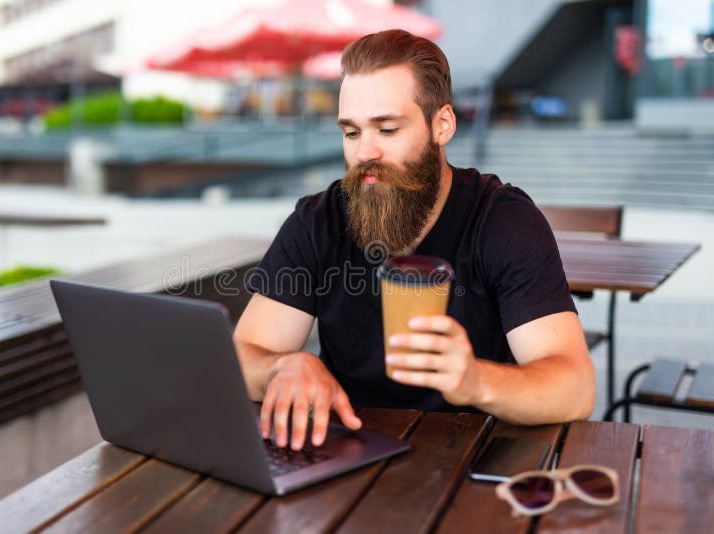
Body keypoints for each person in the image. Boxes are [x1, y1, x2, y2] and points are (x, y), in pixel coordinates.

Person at [234, 29, 595, 451]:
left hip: (474, 459)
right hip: (347, 453)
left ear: (442, 125)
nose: (364, 152)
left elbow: (576, 387)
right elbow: (243, 354)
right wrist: (282, 367)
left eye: (386, 130)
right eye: (351, 133)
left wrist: (477, 381)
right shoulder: (318, 221)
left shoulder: (502, 219)